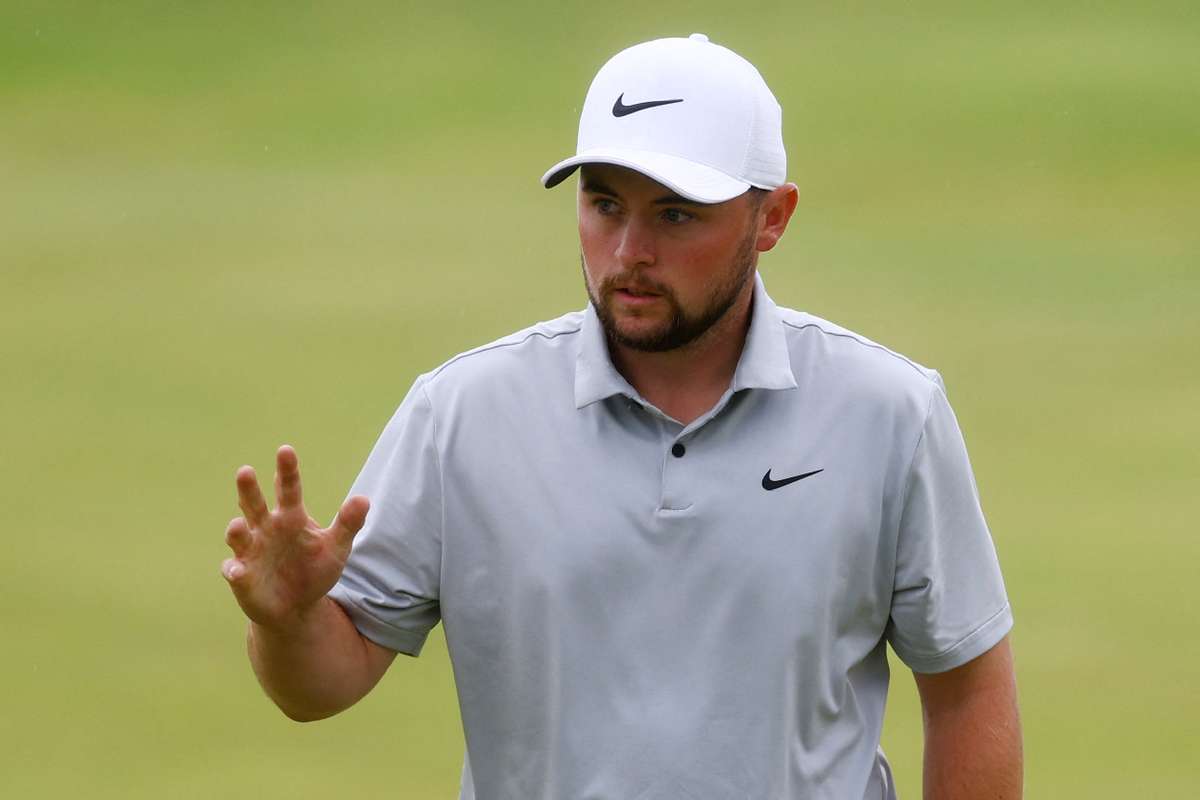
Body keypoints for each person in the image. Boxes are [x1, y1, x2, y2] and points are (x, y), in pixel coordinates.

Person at [221, 33, 1022, 800]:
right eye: (605, 204)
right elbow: (322, 684)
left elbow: (967, 688)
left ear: (772, 217)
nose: (630, 251)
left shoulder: (889, 414)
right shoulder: (462, 413)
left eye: (675, 215)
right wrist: (288, 624)